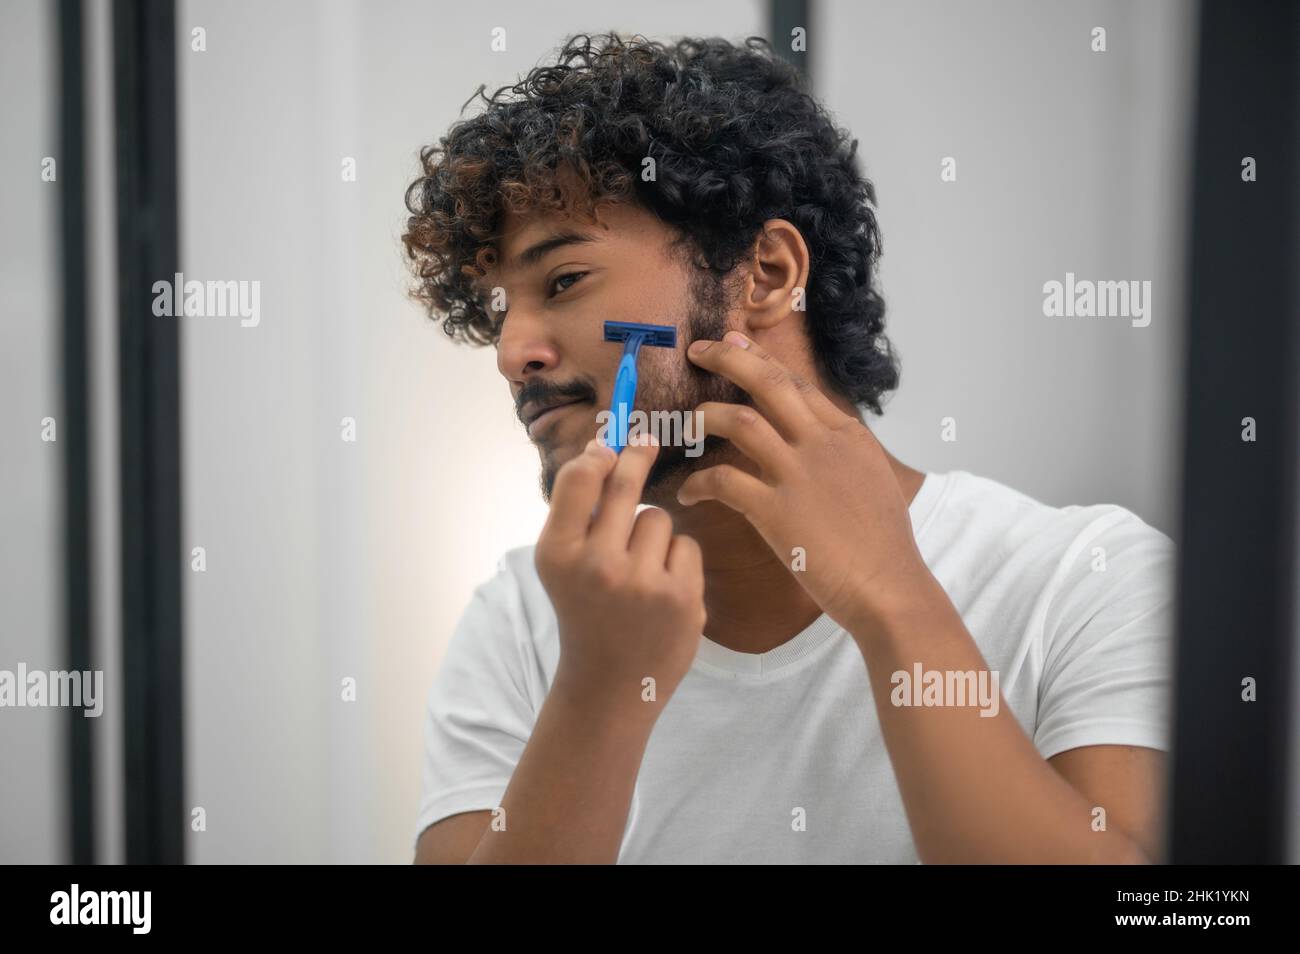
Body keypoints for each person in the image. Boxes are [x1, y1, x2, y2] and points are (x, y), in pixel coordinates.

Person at [401, 33, 1173, 864]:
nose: (514, 352)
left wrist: (891, 598)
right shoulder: (521, 621)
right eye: (497, 310)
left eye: (562, 282)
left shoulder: (1086, 582)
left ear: (765, 274)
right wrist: (597, 691)